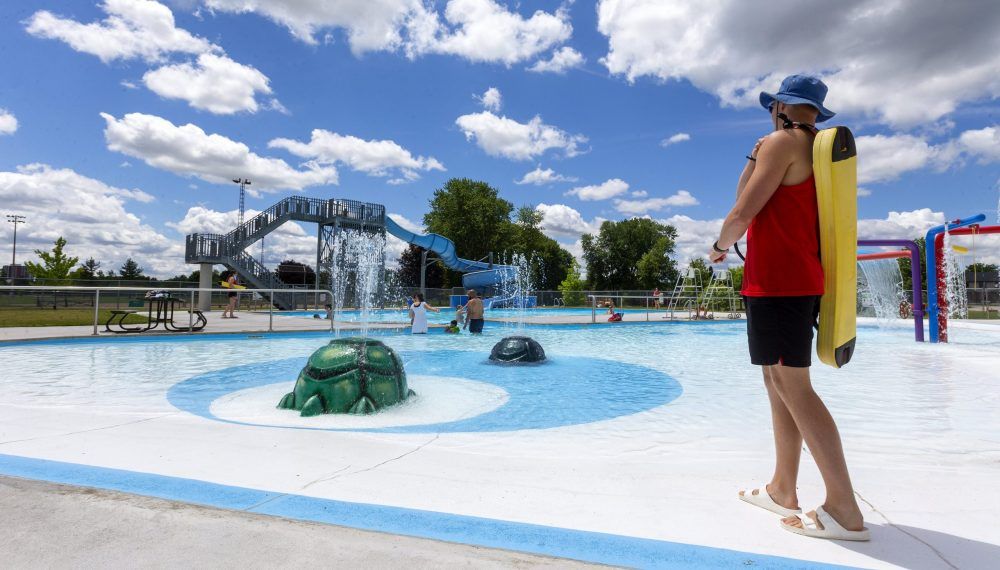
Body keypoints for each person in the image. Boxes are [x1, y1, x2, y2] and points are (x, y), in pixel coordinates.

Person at [709, 74, 868, 541]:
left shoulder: (783, 142)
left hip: (778, 281)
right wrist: (754, 155)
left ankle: (843, 508)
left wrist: (720, 245)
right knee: (776, 378)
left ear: (781, 106)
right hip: (796, 280)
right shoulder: (817, 149)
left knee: (793, 386)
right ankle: (783, 488)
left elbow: (742, 211)